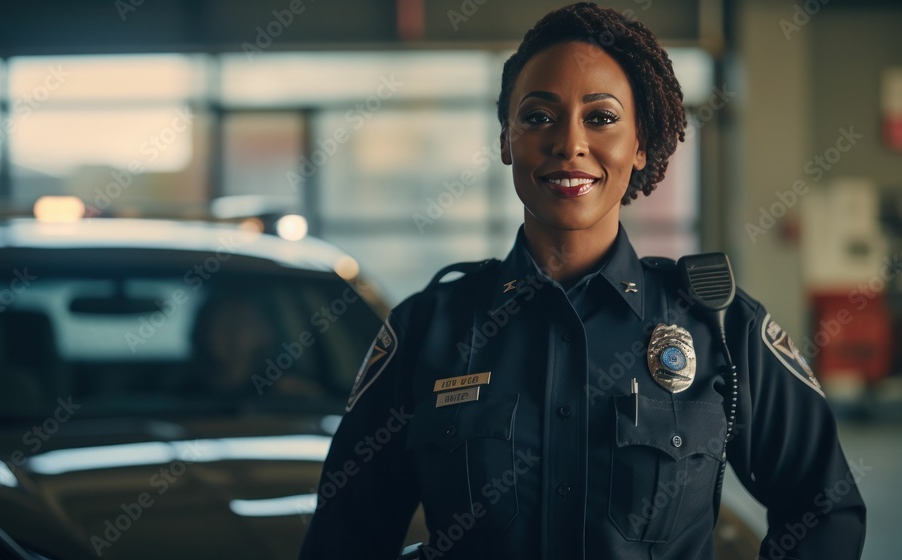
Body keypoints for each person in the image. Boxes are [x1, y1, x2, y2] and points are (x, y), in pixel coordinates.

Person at [298, 3, 866, 559]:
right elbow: (346, 534)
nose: (569, 143)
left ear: (640, 144)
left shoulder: (720, 325)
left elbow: (825, 508)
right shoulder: (428, 330)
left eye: (601, 118)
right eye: (538, 117)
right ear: (505, 141)